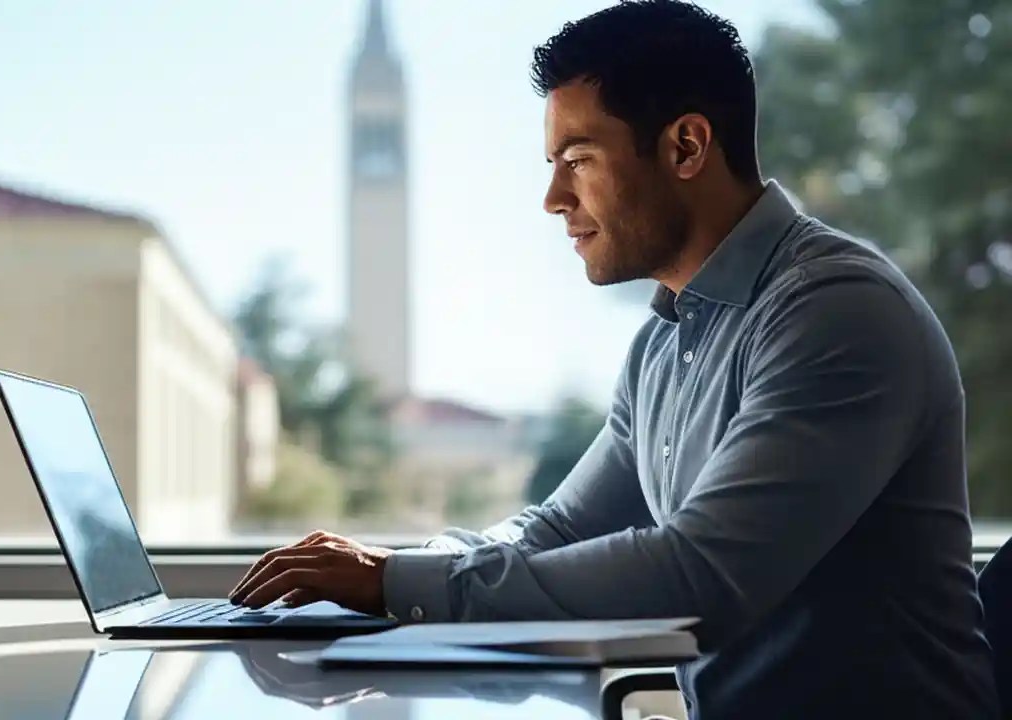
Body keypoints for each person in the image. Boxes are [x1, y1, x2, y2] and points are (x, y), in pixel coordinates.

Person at [229, 1, 998, 716]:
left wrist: (396, 583)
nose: (553, 198)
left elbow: (701, 576)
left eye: (578, 157)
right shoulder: (666, 338)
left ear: (686, 146)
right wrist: (381, 573)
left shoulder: (835, 311)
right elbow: (557, 530)